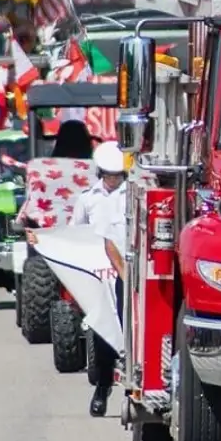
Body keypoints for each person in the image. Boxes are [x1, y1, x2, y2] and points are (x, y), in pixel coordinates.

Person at [72, 141, 130, 417]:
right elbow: (75, 235)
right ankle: (102, 387)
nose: (113, 180)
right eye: (108, 175)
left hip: (126, 270)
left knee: (130, 329)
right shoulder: (87, 199)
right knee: (104, 330)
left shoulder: (131, 195)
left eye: (117, 175)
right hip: (99, 273)